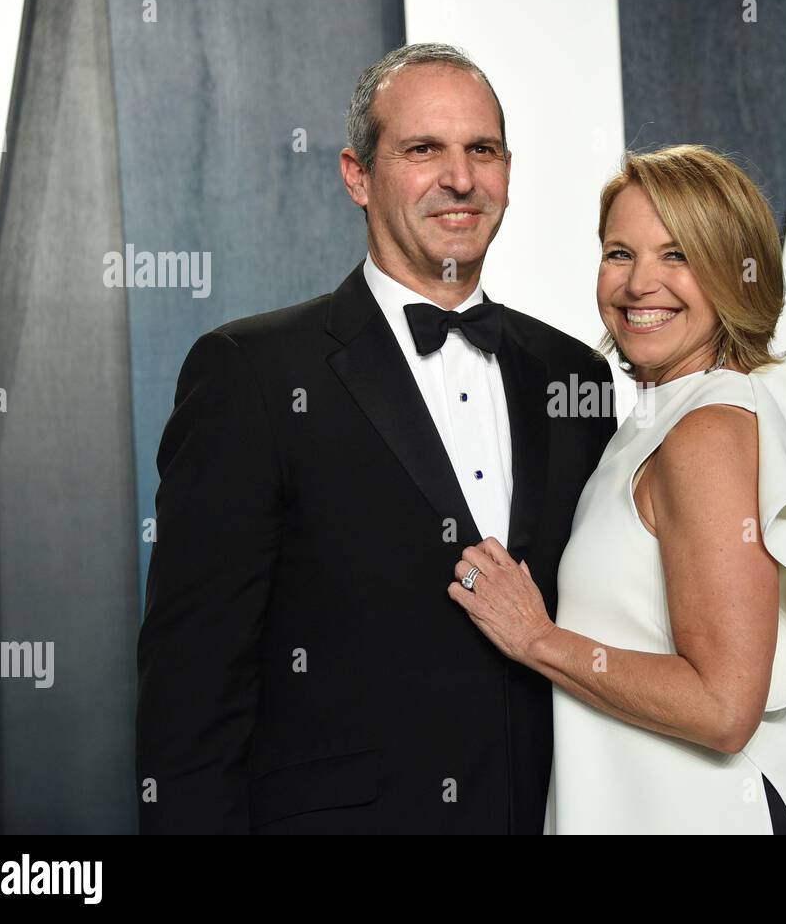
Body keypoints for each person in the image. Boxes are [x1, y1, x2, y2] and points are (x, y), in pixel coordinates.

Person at [135, 43, 615, 833]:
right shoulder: (249, 373)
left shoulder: (576, 376)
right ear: (357, 175)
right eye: (423, 149)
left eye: (482, 150)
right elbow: (192, 692)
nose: (460, 178)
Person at [447, 144, 786, 833]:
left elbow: (724, 706)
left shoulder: (704, 432)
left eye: (677, 255)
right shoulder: (660, 416)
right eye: (620, 252)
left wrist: (538, 639)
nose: (640, 283)